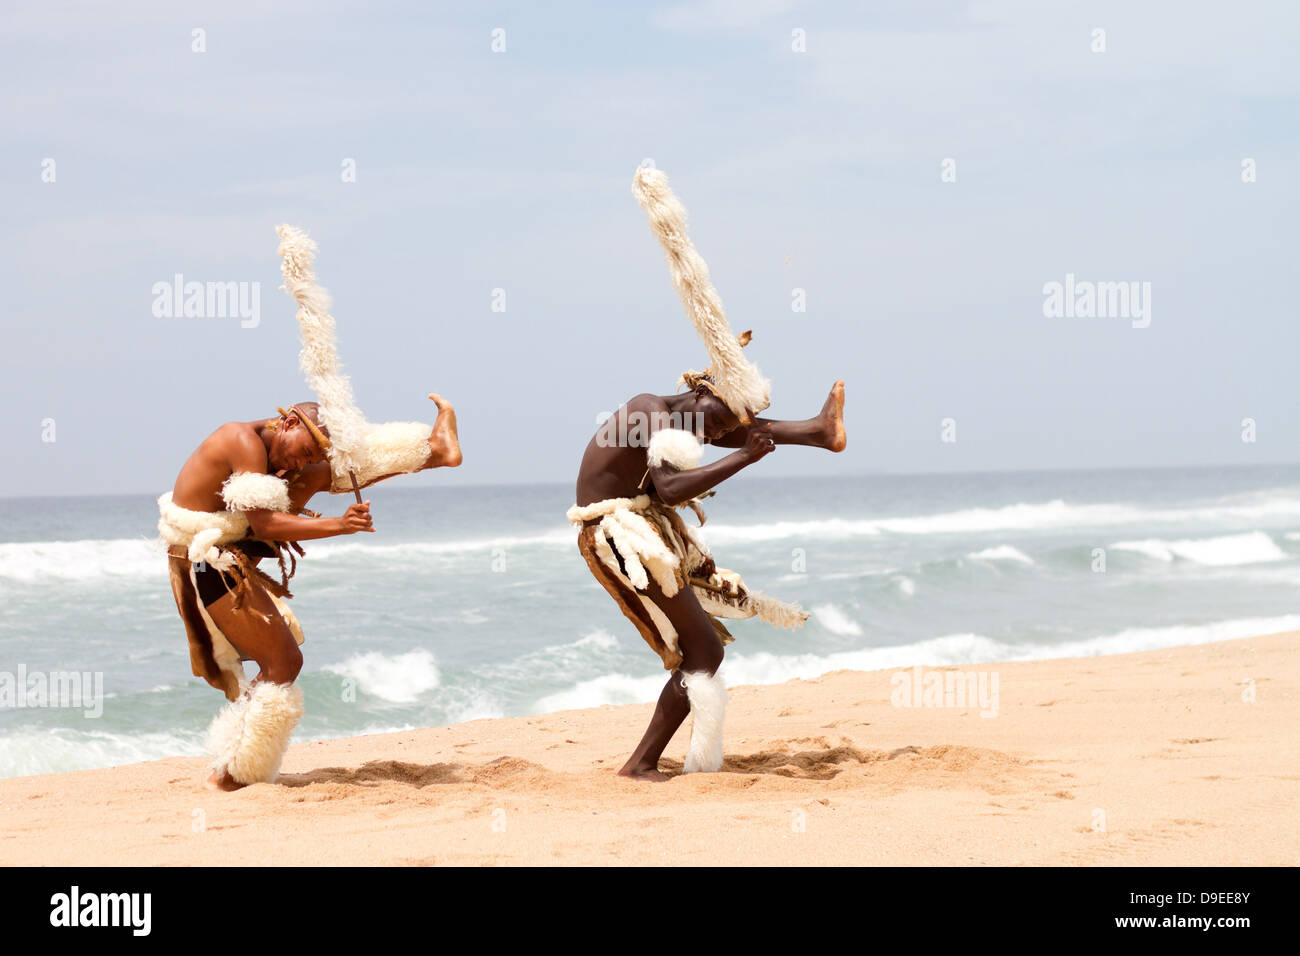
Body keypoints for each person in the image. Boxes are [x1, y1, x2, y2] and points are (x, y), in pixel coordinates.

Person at [567, 164, 847, 780]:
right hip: (619, 534)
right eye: (717, 422)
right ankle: (641, 763)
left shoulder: (684, 419)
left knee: (702, 650)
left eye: (725, 431)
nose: (718, 434)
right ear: (699, 390)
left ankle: (821, 434)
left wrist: (752, 441)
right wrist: (744, 457)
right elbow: (667, 487)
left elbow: (692, 462)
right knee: (704, 649)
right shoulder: (648, 414)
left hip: (643, 523)